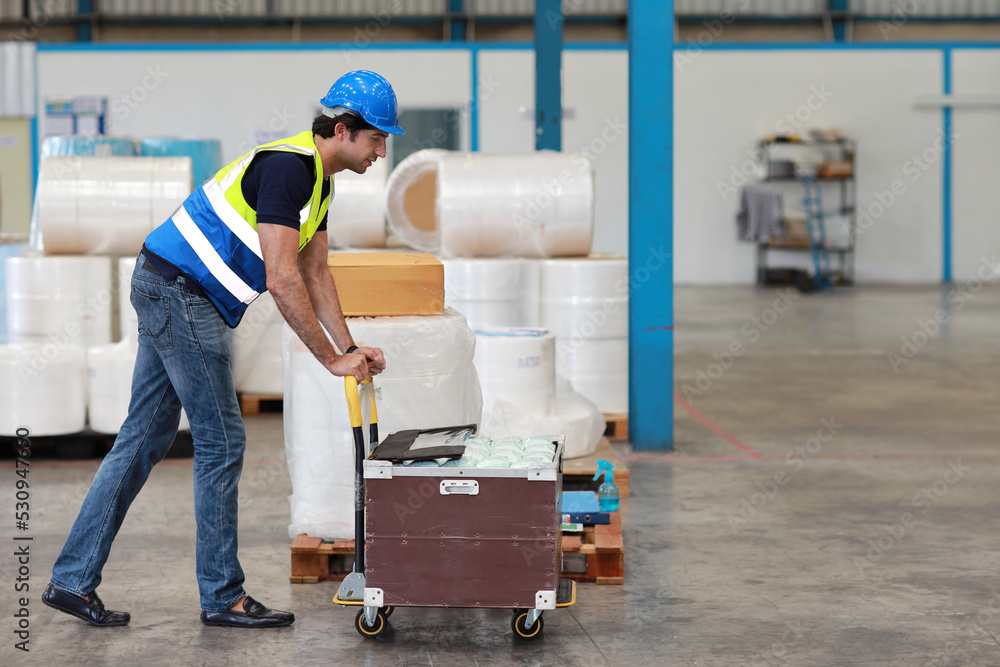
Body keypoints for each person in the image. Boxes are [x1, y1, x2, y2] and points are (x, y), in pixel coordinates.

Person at [42, 70, 404, 629]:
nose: (381, 152)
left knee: (143, 438)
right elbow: (282, 278)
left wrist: (349, 346)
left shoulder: (319, 182)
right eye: (376, 138)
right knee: (222, 442)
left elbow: (315, 271)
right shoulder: (289, 169)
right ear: (342, 130)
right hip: (182, 293)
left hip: (169, 285)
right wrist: (331, 360)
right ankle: (222, 596)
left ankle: (71, 580)